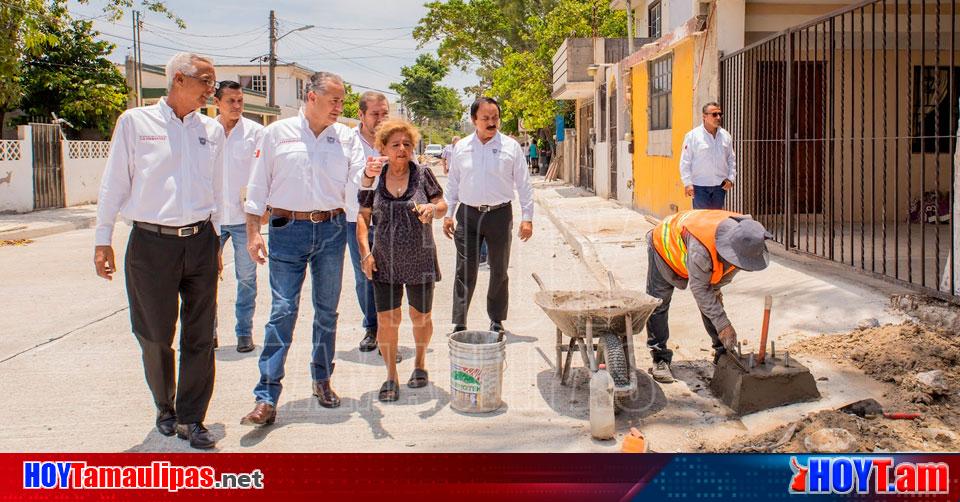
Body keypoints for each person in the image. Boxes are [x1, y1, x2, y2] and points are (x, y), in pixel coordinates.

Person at [93, 52, 224, 449]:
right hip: (150, 244)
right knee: (154, 334)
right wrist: (103, 239)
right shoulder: (135, 123)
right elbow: (114, 182)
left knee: (201, 334)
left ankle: (191, 417)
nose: (210, 89)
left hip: (201, 240)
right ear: (179, 80)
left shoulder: (211, 130)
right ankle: (164, 406)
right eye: (205, 80)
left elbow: (215, 190)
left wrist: (216, 240)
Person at [240, 71, 378, 426]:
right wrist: (254, 233)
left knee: (327, 312)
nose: (339, 107)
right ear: (311, 96)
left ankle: (322, 379)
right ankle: (266, 395)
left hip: (331, 230)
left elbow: (358, 179)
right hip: (287, 230)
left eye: (343, 101)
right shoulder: (276, 134)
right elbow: (257, 188)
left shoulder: (345, 137)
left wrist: (370, 173)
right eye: (334, 100)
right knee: (283, 311)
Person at [357, 120, 447, 402]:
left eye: (407, 144)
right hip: (384, 258)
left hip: (420, 257)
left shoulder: (423, 174)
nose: (402, 149)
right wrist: (365, 252)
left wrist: (433, 209)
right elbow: (362, 216)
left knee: (421, 317)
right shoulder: (373, 178)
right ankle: (391, 375)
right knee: (388, 320)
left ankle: (420, 363)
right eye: (395, 144)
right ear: (382, 147)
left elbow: (442, 205)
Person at [645, 209, 772, 383]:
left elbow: (713, 288)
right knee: (659, 302)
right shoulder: (702, 250)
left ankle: (722, 351)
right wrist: (723, 323)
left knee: (712, 302)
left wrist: (716, 294)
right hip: (665, 247)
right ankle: (659, 358)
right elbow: (700, 289)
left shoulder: (743, 238)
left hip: (693, 247)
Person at [443, 97, 534, 335]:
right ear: (474, 120)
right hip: (468, 215)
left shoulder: (510, 147)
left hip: (500, 214)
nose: (492, 122)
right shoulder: (461, 147)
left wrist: (527, 217)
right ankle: (460, 321)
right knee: (465, 269)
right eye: (486, 118)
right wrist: (448, 214)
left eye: (495, 118)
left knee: (499, 269)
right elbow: (453, 183)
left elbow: (524, 184)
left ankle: (496, 319)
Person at [214, 80, 264, 353]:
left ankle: (244, 331)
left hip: (245, 219)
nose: (236, 106)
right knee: (205, 278)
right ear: (217, 103)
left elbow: (262, 174)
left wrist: (261, 211)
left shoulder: (256, 133)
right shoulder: (205, 131)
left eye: (240, 101)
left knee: (246, 278)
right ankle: (208, 331)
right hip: (209, 219)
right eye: (230, 101)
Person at [348, 91, 390, 356]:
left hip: (390, 221)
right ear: (361, 115)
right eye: (375, 114)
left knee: (389, 277)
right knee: (365, 276)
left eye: (384, 113)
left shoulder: (394, 139)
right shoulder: (345, 141)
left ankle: (387, 330)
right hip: (357, 219)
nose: (380, 118)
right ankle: (371, 327)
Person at [680, 102, 737, 210]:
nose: (718, 117)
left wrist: (731, 179)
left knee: (715, 221)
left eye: (720, 114)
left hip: (720, 187)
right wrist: (687, 183)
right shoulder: (693, 136)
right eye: (714, 114)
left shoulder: (725, 136)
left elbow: (731, 159)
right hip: (699, 187)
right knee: (701, 221)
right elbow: (685, 161)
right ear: (704, 116)